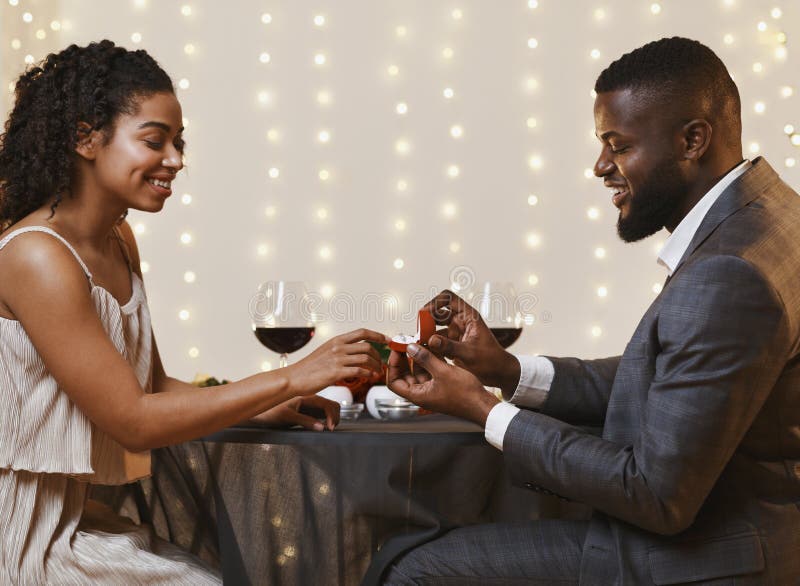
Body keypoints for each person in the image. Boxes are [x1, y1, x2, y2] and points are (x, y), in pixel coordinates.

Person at [384, 37, 800, 585]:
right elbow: (669, 380)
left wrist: (486, 412)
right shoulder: (768, 217)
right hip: (745, 536)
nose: (601, 166)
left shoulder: (727, 275)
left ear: (693, 139)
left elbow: (655, 495)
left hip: (705, 561)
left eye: (619, 145)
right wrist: (507, 372)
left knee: (415, 566)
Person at [0, 40, 386, 584]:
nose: (176, 160)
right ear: (86, 137)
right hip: (24, 539)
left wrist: (263, 404)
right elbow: (133, 421)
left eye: (178, 143)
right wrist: (290, 376)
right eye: (154, 141)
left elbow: (152, 385)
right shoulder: (38, 256)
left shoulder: (118, 240)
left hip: (80, 521)